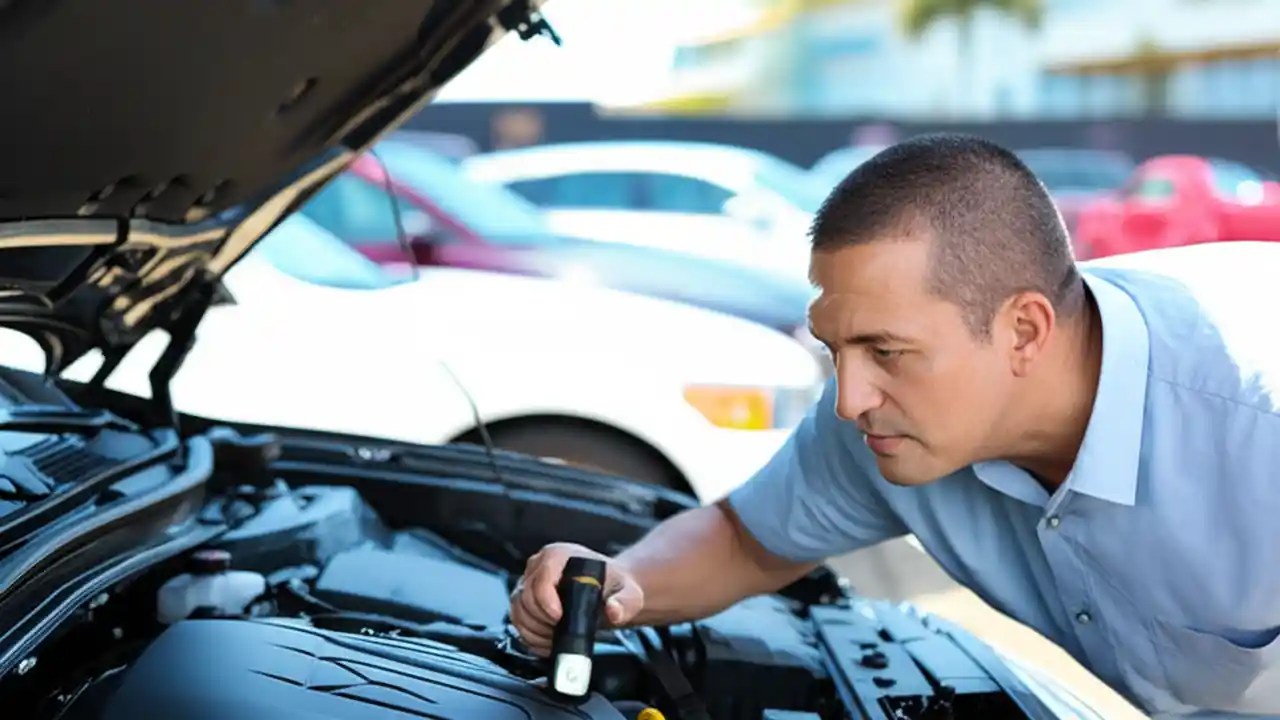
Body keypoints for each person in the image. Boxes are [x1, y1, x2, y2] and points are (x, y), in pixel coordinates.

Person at [508, 134, 1280, 717]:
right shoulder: (880, 426)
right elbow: (746, 539)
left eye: (886, 351)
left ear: (1024, 331)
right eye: (835, 348)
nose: (849, 399)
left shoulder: (1256, 423)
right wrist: (619, 583)